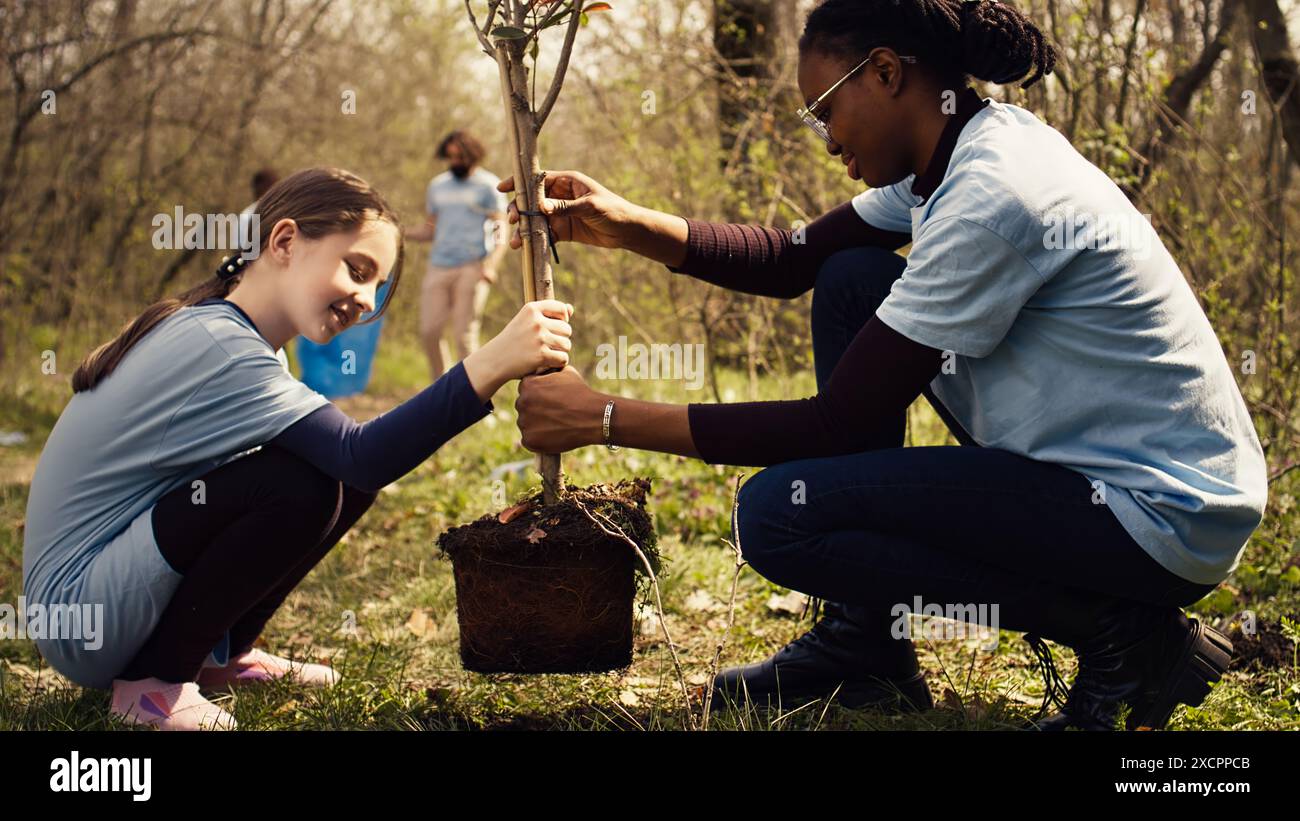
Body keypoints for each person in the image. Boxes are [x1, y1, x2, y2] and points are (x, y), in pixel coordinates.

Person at [508, 0, 1267, 730]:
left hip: (1157, 513)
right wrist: (625, 222)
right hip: (1103, 477)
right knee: (850, 280)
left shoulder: (993, 196)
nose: (827, 139)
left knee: (776, 516)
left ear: (884, 72)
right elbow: (794, 258)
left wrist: (602, 418)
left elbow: (835, 423)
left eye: (825, 110)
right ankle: (864, 644)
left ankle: (1126, 635)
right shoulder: (958, 151)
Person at [22, 167, 574, 730]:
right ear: (285, 241)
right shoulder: (221, 347)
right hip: (80, 614)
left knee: (332, 475)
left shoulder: (234, 339)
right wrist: (491, 363)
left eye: (376, 288)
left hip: (98, 602)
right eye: (357, 271)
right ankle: (153, 688)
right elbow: (367, 453)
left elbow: (354, 466)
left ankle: (219, 653)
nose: (363, 299)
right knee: (300, 485)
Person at [405, 130, 509, 381]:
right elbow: (431, 227)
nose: (454, 162)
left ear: (472, 156)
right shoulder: (438, 186)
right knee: (429, 331)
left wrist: (492, 264)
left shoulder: (488, 186)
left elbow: (501, 226)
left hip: (472, 267)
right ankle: (442, 389)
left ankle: (474, 393)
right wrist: (400, 232)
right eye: (450, 157)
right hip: (439, 266)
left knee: (464, 335)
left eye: (460, 157)